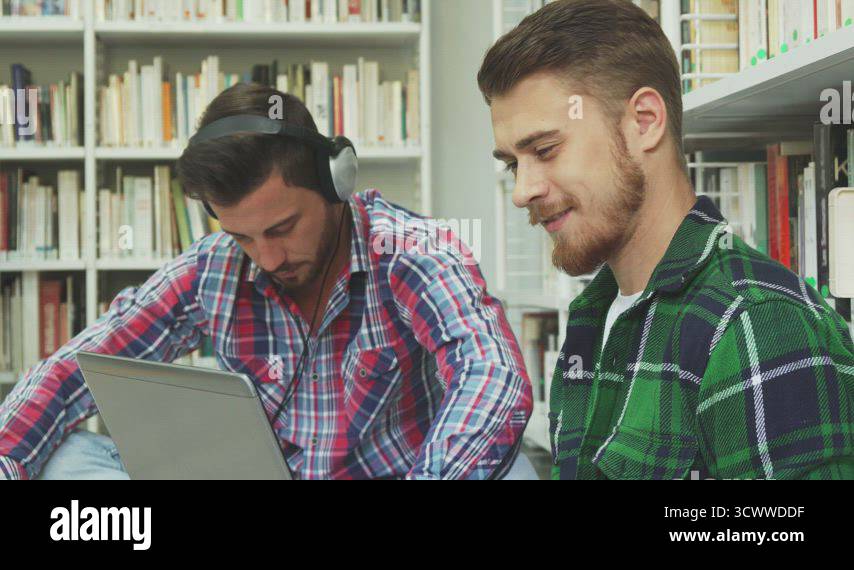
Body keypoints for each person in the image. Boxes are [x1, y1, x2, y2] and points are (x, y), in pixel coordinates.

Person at [0, 83, 535, 480]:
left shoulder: (412, 250)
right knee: (61, 459)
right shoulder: (210, 269)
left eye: (282, 228)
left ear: (334, 182)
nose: (268, 257)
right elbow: (71, 370)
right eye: (244, 237)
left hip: (405, 474)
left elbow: (493, 375)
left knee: (514, 472)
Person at [478, 0, 853, 479]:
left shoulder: (759, 324)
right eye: (513, 164)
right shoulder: (594, 313)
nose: (522, 190)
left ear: (645, 121)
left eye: (545, 150)